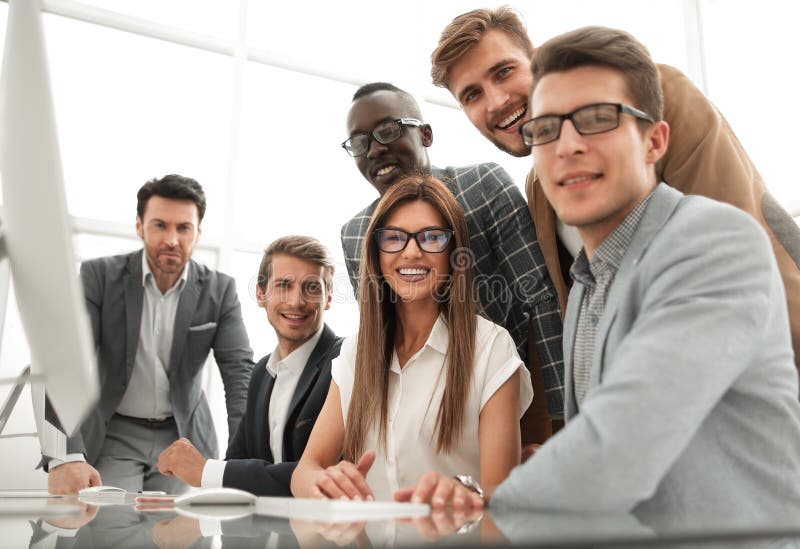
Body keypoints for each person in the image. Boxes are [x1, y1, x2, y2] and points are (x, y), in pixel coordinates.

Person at [478, 27, 800, 514]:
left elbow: (621, 448)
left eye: (596, 119)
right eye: (544, 130)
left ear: (655, 141)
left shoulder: (714, 241)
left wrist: (489, 509)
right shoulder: (585, 285)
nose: (566, 146)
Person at [432, 6, 800, 374]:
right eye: (472, 95)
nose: (496, 101)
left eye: (504, 72)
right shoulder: (539, 188)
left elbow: (739, 249)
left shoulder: (656, 99)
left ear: (535, 59)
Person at [340, 82, 562, 444]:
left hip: (515, 402)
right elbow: (378, 338)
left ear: (425, 134)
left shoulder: (482, 187)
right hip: (419, 422)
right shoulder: (356, 234)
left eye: (389, 130)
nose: (375, 149)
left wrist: (561, 416)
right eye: (360, 141)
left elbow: (540, 299)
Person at [293, 175, 533, 505]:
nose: (411, 252)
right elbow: (305, 470)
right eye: (394, 238)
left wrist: (465, 493)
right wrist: (323, 482)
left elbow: (502, 494)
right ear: (376, 254)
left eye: (432, 238)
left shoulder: (491, 348)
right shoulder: (355, 352)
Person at [46, 175, 254, 495]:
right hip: (114, 432)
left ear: (198, 233)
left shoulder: (220, 290)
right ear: (139, 226)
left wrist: (245, 461)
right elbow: (65, 362)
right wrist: (67, 454)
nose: (172, 239)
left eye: (183, 228)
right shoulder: (99, 277)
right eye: (160, 225)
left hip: (183, 436)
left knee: (176, 524)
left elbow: (239, 374)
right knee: (110, 519)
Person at [157, 236, 343, 495]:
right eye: (284, 285)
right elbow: (237, 465)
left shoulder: (344, 364)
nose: (296, 301)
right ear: (260, 293)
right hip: (265, 521)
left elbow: (320, 474)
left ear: (328, 297)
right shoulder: (261, 373)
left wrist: (205, 471)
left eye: (312, 287)